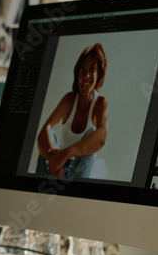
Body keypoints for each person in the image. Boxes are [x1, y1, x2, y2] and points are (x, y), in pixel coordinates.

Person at [35, 43, 110, 178]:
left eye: (91, 70)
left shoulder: (100, 103)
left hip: (78, 171)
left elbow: (101, 138)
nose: (86, 76)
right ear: (77, 76)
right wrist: (56, 162)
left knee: (92, 133)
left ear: (98, 75)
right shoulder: (70, 99)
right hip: (57, 168)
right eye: (83, 71)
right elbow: (44, 131)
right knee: (50, 134)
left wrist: (66, 153)